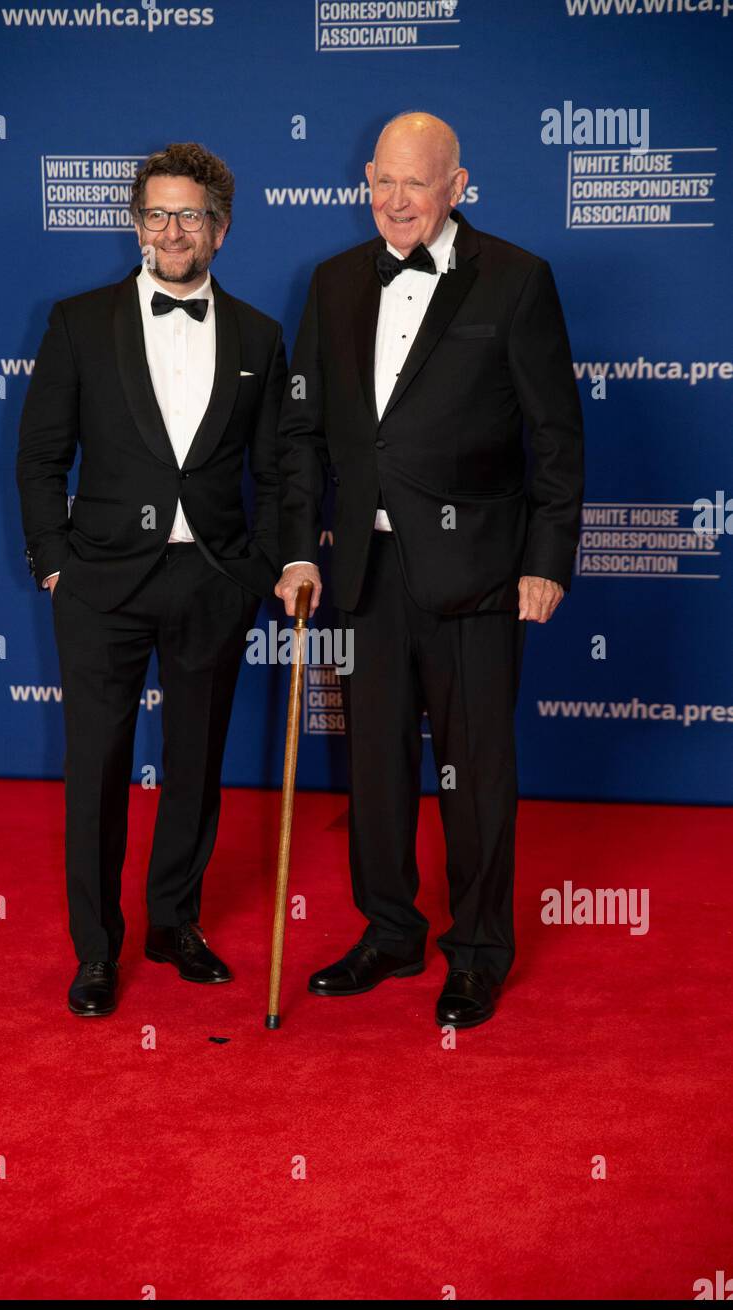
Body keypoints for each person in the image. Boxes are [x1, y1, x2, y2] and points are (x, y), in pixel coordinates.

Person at [276, 112, 584, 1029]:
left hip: (480, 574)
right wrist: (299, 547)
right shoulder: (331, 282)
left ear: (458, 184)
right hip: (364, 569)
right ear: (365, 175)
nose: (396, 202)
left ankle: (480, 951)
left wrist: (547, 558)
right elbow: (300, 434)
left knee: (476, 770)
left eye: (418, 184)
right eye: (384, 181)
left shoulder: (518, 280)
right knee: (373, 767)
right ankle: (390, 931)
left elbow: (556, 437)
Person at [17, 142, 286, 1016]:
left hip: (211, 578)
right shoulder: (78, 322)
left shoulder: (258, 335)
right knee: (95, 767)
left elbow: (280, 469)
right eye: (158, 215)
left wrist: (266, 564)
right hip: (100, 583)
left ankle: (174, 922)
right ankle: (97, 950)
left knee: (195, 762)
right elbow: (40, 458)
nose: (174, 231)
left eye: (192, 215)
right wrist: (56, 563)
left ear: (222, 228)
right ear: (137, 224)